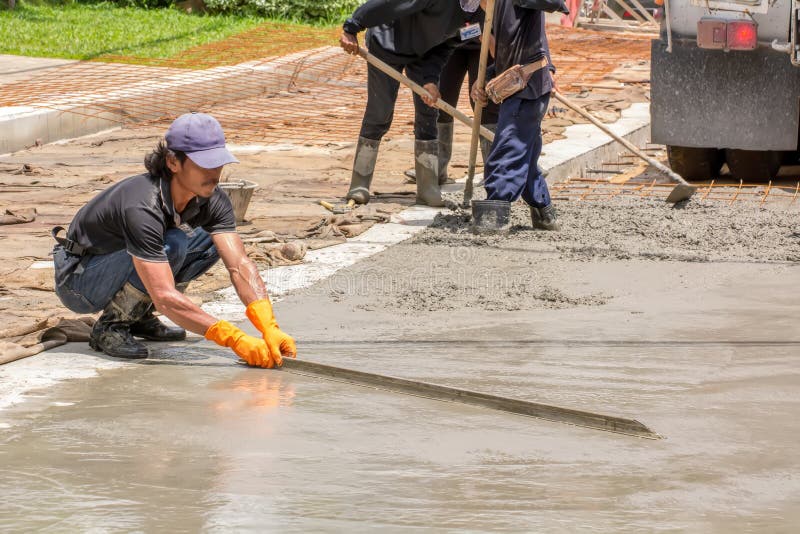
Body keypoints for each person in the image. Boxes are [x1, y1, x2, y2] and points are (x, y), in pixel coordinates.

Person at [52, 113, 296, 367]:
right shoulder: (142, 204)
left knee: (211, 241)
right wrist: (232, 337)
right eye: (203, 164)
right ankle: (111, 327)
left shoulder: (212, 198)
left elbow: (240, 265)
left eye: (218, 163)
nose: (214, 172)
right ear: (173, 162)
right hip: (81, 283)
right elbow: (165, 296)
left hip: (121, 266)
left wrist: (268, 324)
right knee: (174, 243)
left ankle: (139, 316)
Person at [339, 0, 478, 207]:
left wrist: (430, 78)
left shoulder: (480, 14)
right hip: (388, 43)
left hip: (424, 54)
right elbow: (390, 2)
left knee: (429, 114)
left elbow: (447, 45)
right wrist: (353, 25)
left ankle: (427, 188)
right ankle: (359, 184)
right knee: (380, 111)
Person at [472, 0, 567, 230]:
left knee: (509, 147)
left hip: (528, 88)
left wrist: (549, 69)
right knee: (525, 154)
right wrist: (485, 79)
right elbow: (511, 51)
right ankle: (543, 212)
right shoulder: (495, 9)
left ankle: (495, 211)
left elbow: (554, 4)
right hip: (518, 83)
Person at [405, 8, 500, 186]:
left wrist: (491, 41)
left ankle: (494, 171)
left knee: (484, 103)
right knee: (441, 101)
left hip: (487, 41)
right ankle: (437, 168)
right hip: (452, 41)